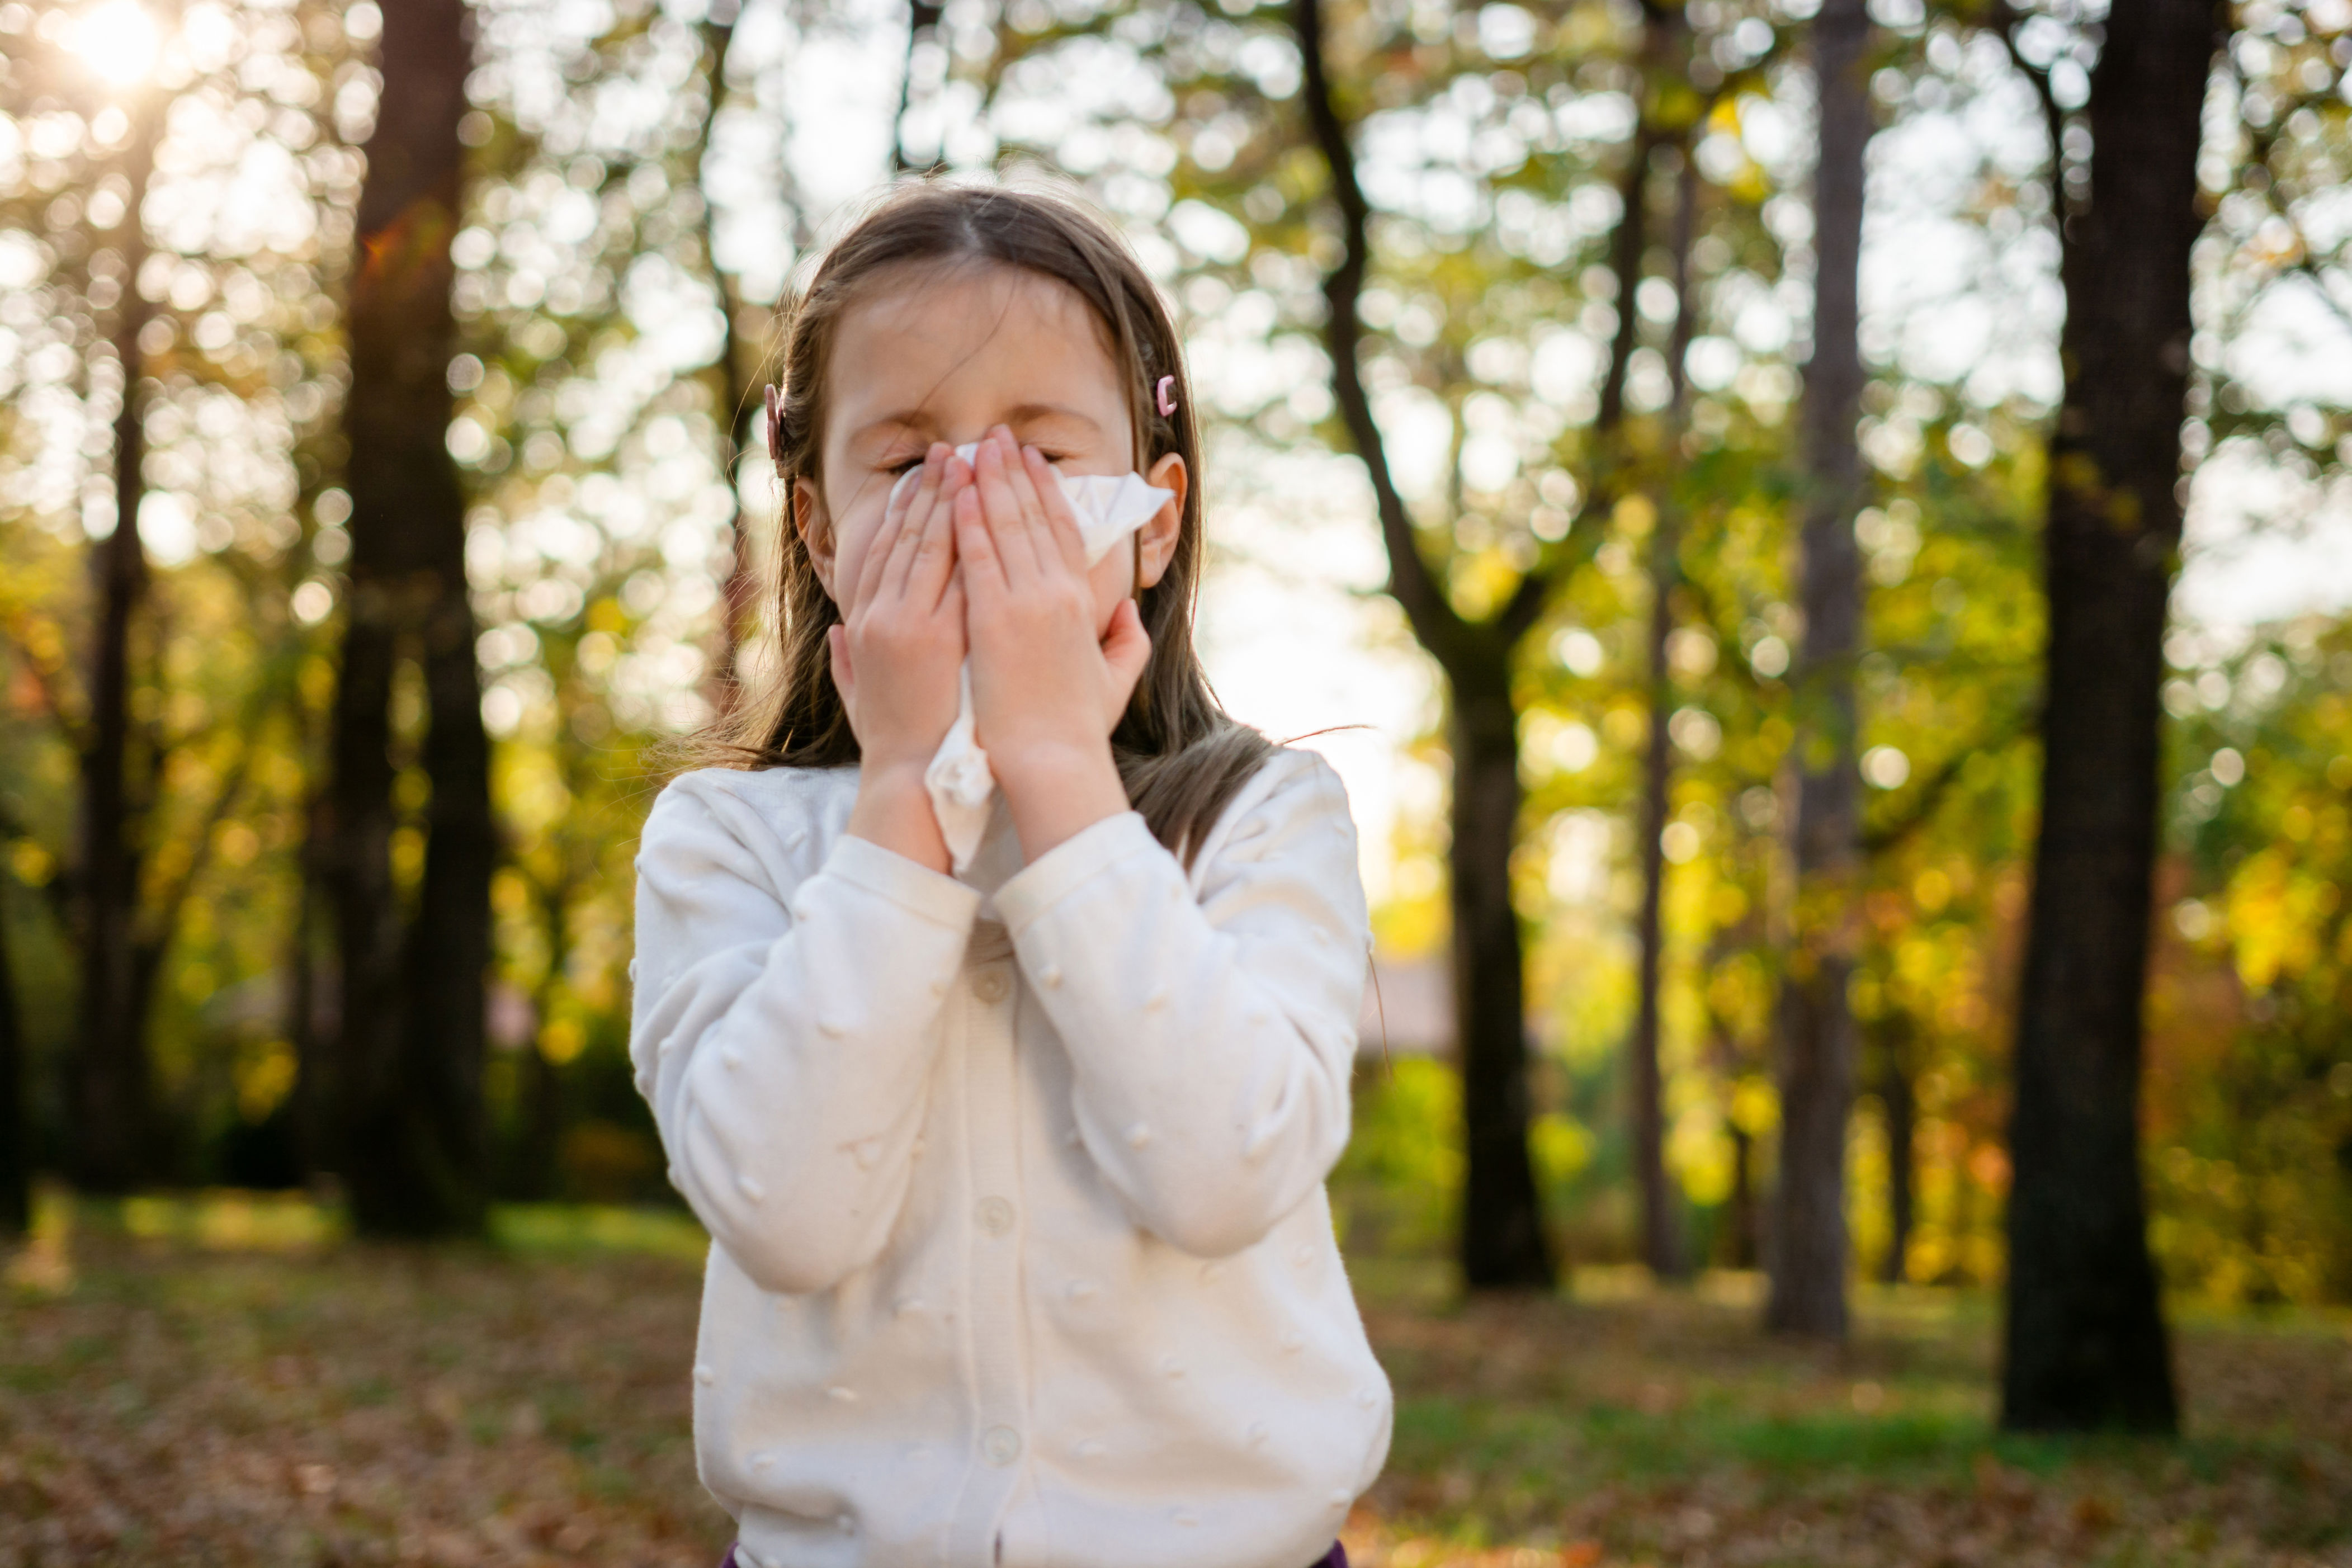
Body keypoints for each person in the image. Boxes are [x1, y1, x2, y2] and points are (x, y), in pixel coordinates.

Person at [629, 178, 1389, 1568]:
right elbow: (787, 1216)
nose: (978, 506)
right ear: (817, 528)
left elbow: (1227, 1177)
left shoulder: (1262, 815)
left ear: (1153, 517)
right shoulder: (725, 841)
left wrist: (1057, 774)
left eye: (1041, 459)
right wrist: (908, 800)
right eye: (910, 465)